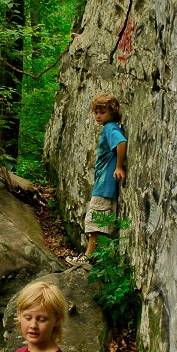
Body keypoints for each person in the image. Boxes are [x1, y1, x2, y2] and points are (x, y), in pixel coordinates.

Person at [66, 93, 127, 266]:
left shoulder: (110, 128)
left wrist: (119, 166)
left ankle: (87, 257)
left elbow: (121, 142)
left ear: (112, 113)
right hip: (105, 185)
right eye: (96, 112)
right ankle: (101, 261)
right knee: (103, 224)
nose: (98, 116)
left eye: (102, 112)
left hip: (104, 185)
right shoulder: (110, 127)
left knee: (95, 222)